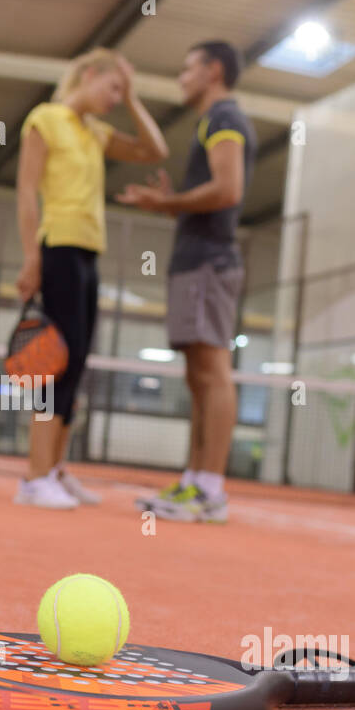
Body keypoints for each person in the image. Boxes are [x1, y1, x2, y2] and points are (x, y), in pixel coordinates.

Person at [13, 48, 168, 509]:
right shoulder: (45, 118)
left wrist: (136, 97)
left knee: (77, 361)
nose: (116, 99)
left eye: (122, 92)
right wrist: (30, 257)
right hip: (56, 245)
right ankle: (34, 477)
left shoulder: (95, 132)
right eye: (113, 87)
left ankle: (55, 471)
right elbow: (25, 189)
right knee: (54, 363)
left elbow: (154, 150)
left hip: (89, 252)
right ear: (89, 74)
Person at [116, 40, 255, 524]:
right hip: (196, 261)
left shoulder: (225, 120)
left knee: (213, 370)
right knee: (198, 376)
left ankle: (211, 489)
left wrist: (166, 205)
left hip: (210, 262)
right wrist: (173, 202)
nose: (181, 77)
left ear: (213, 71)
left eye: (187, 68)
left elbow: (229, 189)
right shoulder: (210, 123)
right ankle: (196, 479)